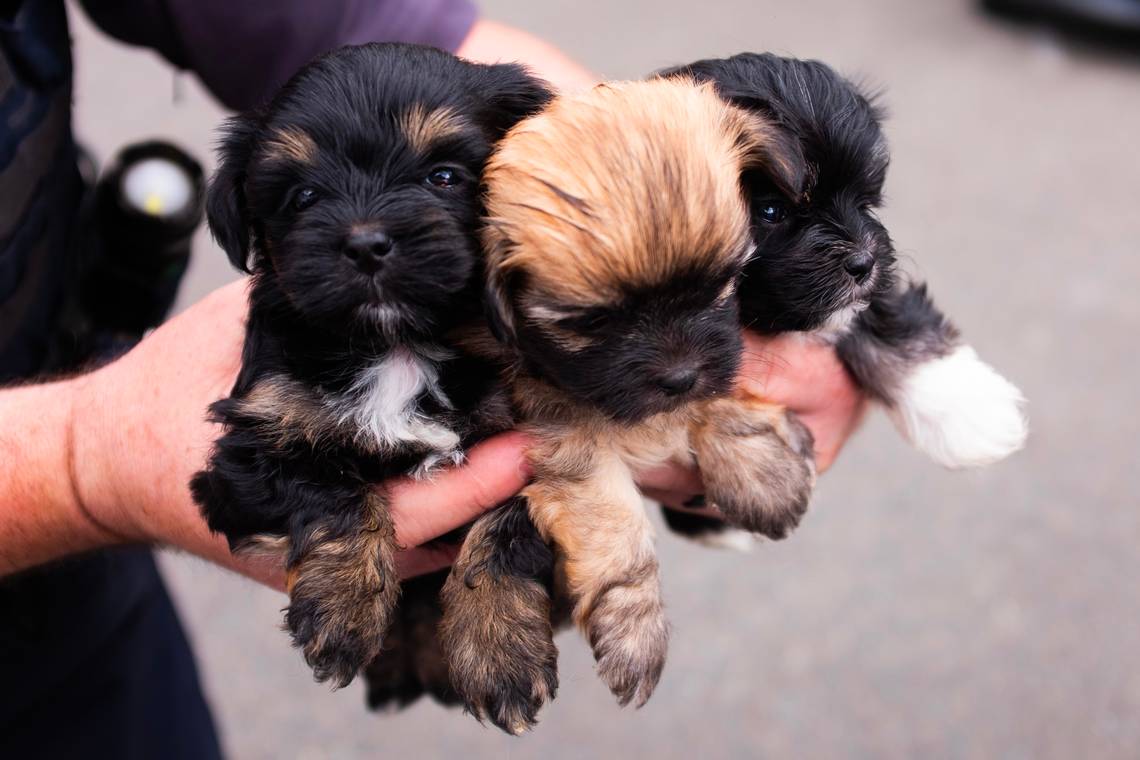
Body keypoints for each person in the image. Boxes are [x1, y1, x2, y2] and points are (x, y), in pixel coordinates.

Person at [0, 1, 866, 757]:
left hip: (85, 617)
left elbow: (372, 21)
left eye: (446, 177)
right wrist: (80, 462)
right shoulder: (288, 372)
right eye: (303, 199)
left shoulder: (500, 327)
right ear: (250, 223)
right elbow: (262, 467)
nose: (368, 231)